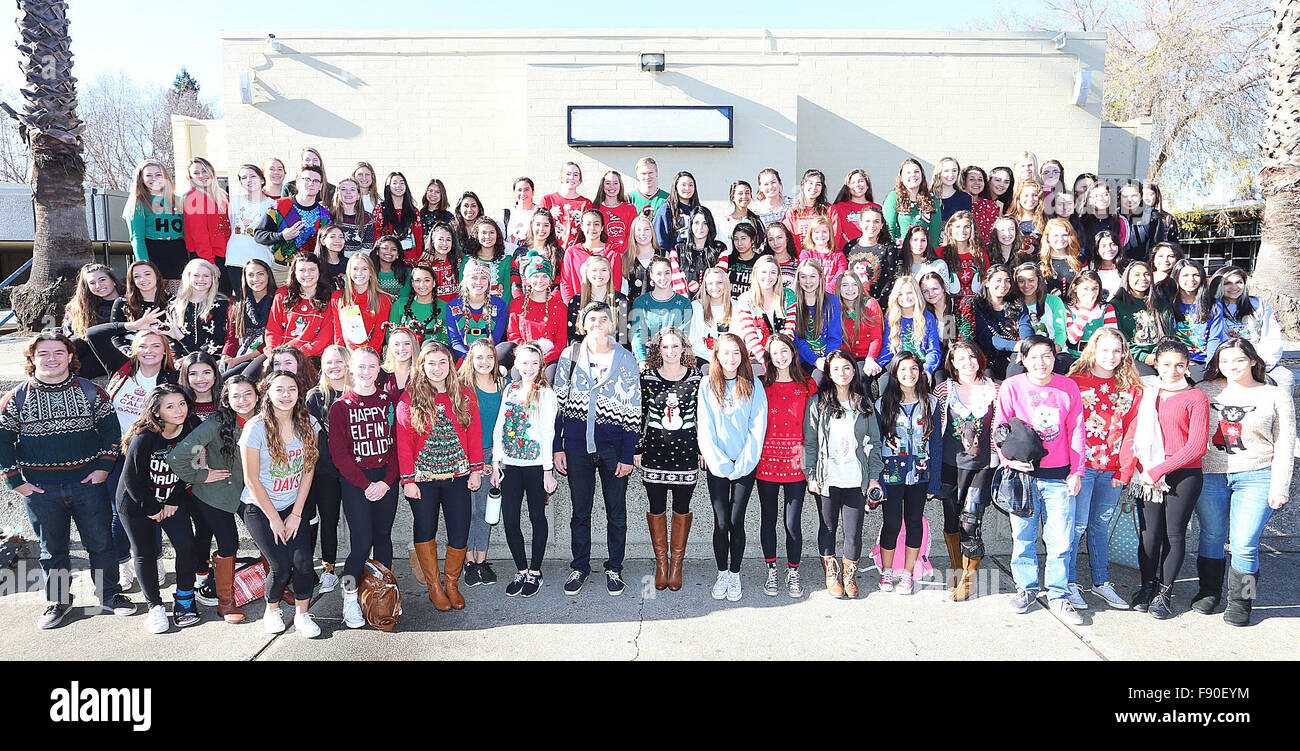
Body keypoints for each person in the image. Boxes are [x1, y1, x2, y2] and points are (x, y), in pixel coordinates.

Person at [0, 332, 130, 629]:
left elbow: (112, 434)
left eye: (59, 352)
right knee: (52, 548)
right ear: (32, 359)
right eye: (44, 353)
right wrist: (14, 481)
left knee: (100, 543)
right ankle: (58, 600)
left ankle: (110, 594)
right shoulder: (15, 397)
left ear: (71, 356)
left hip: (87, 484)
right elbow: (3, 442)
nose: (52, 359)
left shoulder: (93, 392)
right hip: (40, 489)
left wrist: (102, 469)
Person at [1194, 338, 1295, 626]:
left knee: (1245, 543)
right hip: (1211, 474)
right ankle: (1208, 590)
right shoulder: (1204, 390)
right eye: (1224, 361)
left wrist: (1280, 485)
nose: (1231, 366)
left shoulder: (1274, 396)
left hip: (1257, 475)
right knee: (1211, 536)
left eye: (1238, 359)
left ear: (1252, 360)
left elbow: (1285, 443)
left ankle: (1243, 600)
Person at [995, 335, 1086, 625]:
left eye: (1046, 355)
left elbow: (1076, 429)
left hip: (1059, 476)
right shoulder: (1012, 386)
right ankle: (1027, 588)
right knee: (1022, 538)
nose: (1041, 362)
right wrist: (1007, 459)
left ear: (1054, 357)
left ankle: (1059, 594)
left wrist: (1077, 471)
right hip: (1023, 477)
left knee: (1060, 540)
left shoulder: (1068, 386)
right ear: (1022, 359)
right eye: (1033, 356)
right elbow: (1000, 427)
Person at [552, 301, 642, 597]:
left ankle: (614, 567)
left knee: (616, 512)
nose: (598, 323)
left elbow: (633, 407)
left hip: (613, 449)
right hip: (577, 446)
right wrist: (557, 446)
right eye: (592, 319)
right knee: (580, 511)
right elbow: (559, 404)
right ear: (583, 322)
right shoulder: (570, 354)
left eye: (604, 318)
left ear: (612, 323)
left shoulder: (626, 358)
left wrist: (629, 454)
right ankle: (580, 565)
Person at [1118, 338, 1210, 619]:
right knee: (1149, 534)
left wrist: (1158, 471)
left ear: (1187, 366)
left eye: (1180, 365)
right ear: (1155, 363)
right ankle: (1147, 586)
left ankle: (1164, 591)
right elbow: (1129, 430)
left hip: (1182, 474)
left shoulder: (1196, 397)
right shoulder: (1145, 392)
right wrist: (1137, 469)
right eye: (1167, 364)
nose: (1173, 370)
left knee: (1173, 534)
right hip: (1145, 472)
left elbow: (1196, 447)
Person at [1060, 329, 1142, 611]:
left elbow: (1133, 429)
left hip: (1112, 468)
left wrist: (1126, 468)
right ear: (1093, 350)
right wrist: (1072, 468)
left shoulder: (1131, 386)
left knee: (1100, 525)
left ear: (1124, 353)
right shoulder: (1076, 381)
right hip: (1082, 467)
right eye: (1105, 350)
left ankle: (1101, 581)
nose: (1111, 356)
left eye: (1117, 350)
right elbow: (1066, 427)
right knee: (1077, 525)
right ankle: (1068, 583)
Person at [168, 374, 259, 624]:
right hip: (215, 493)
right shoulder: (219, 421)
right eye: (235, 396)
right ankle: (225, 602)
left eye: (248, 394)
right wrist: (200, 476)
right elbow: (178, 456)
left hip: (252, 491)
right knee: (229, 544)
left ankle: (276, 585)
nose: (242, 400)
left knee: (268, 536)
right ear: (226, 399)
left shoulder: (264, 418)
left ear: (258, 395)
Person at [239, 370, 321, 637]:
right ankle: (272, 609)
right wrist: (275, 518)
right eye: (280, 390)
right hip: (260, 506)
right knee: (280, 565)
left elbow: (308, 470)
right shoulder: (255, 427)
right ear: (268, 393)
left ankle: (302, 614)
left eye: (292, 389)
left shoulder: (308, 422)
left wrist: (296, 514)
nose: (286, 395)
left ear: (299, 393)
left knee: (304, 563)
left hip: (293, 505)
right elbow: (251, 479)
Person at [117, 383, 202, 632]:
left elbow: (193, 465)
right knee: (144, 551)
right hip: (136, 502)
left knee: (187, 546)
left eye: (182, 404)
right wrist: (152, 507)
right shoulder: (144, 436)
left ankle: (185, 599)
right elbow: (131, 478)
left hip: (172, 498)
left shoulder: (192, 428)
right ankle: (155, 606)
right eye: (170, 406)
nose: (179, 410)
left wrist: (173, 500)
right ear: (156, 411)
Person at [804, 349, 884, 599]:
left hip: (855, 479)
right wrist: (811, 474)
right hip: (827, 478)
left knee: (853, 531)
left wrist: (873, 476)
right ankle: (831, 575)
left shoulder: (864, 403)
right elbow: (810, 443)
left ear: (854, 370)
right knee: (827, 527)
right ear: (828, 372)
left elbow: (875, 443)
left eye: (847, 367)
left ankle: (849, 576)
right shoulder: (817, 403)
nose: (842, 373)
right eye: (836, 368)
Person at [329, 347, 400, 627]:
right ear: (351, 369)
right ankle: (349, 598)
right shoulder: (341, 407)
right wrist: (365, 484)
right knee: (360, 542)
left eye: (372, 367)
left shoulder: (389, 401)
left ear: (379, 369)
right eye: (361, 367)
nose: (367, 372)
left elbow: (398, 446)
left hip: (385, 480)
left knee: (383, 537)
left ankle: (383, 596)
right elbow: (339, 454)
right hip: (356, 481)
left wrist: (385, 482)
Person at [696, 332, 768, 601]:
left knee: (737, 522)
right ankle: (722, 572)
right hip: (717, 465)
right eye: (725, 353)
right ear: (716, 356)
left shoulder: (752, 385)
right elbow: (705, 427)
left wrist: (743, 463)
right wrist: (720, 463)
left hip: (744, 465)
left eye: (736, 353)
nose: (731, 358)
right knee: (721, 521)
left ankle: (735, 573)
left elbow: (756, 427)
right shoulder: (707, 385)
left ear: (743, 356)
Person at [634, 327, 702, 592]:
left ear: (684, 348)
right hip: (653, 452)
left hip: (686, 453)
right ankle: (661, 564)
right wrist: (636, 449)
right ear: (657, 350)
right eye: (665, 347)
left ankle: (677, 565)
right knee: (656, 507)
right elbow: (640, 414)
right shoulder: (647, 378)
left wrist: (703, 448)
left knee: (682, 508)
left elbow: (703, 417)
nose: (671, 352)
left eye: (676, 347)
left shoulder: (697, 378)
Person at [933, 341, 1000, 600]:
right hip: (950, 465)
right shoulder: (943, 390)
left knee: (970, 522)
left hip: (982, 465)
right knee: (951, 521)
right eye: (960, 358)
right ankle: (956, 570)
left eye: (972, 356)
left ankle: (969, 581)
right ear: (952, 362)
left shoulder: (996, 389)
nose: (967, 362)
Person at [492, 342, 559, 598]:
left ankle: (535, 571)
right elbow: (500, 426)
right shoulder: (509, 389)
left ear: (541, 364)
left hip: (534, 466)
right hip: (510, 465)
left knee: (536, 518)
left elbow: (547, 433)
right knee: (510, 519)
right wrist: (497, 462)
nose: (529, 368)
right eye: (524, 362)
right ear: (516, 364)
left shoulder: (546, 393)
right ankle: (520, 569)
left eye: (534, 362)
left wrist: (547, 470)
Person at [874, 352, 942, 596]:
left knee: (914, 522)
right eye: (903, 369)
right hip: (891, 472)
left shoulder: (931, 402)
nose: (909, 374)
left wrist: (935, 481)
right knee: (891, 522)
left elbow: (936, 444)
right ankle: (887, 570)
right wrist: (877, 479)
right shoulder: (882, 403)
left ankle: (908, 573)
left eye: (914, 369)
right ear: (894, 373)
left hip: (920, 473)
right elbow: (877, 441)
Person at [755, 334, 815, 597]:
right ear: (768, 356)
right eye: (775, 352)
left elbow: (815, 426)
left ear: (792, 352)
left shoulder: (808, 385)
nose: (780, 357)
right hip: (766, 460)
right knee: (768, 519)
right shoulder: (760, 385)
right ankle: (771, 570)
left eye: (784, 351)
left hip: (796, 462)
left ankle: (793, 571)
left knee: (792, 522)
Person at [458, 339, 504, 587]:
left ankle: (481, 561)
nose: (484, 362)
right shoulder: (461, 386)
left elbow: (506, 425)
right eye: (479, 357)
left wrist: (495, 460)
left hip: (492, 454)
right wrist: (472, 463)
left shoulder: (502, 384)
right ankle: (467, 561)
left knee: (487, 511)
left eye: (489, 357)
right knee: (469, 511)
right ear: (471, 360)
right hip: (466, 455)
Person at [304, 345, 349, 596]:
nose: (334, 367)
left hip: (354, 470)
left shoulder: (358, 391)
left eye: (339, 361)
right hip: (325, 470)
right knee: (328, 521)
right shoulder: (315, 396)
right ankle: (329, 570)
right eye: (329, 362)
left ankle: (360, 566)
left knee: (357, 522)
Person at [1204, 266, 1291, 394]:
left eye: (1239, 282)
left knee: (1285, 377)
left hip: (1261, 361)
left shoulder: (1258, 303)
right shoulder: (1213, 308)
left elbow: (1272, 335)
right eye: (1227, 283)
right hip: (1230, 362)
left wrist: (1263, 363)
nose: (1234, 287)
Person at [254, 165, 333, 277]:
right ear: (297, 182)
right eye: (306, 179)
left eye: (315, 181)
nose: (311, 183)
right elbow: (259, 235)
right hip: (282, 270)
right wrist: (282, 236)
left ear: (320, 186)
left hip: (310, 272)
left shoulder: (325, 216)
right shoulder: (279, 206)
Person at [261, 252, 335, 370]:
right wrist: (273, 352)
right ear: (294, 272)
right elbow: (272, 329)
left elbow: (324, 337)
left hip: (310, 356)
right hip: (278, 353)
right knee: (247, 377)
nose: (307, 274)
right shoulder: (282, 294)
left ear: (319, 272)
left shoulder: (329, 299)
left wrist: (295, 354)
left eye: (312, 269)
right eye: (301, 270)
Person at [124, 158, 187, 289]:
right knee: (159, 299)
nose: (154, 178)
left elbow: (187, 233)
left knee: (180, 299)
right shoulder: (138, 203)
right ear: (141, 179)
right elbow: (136, 238)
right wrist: (145, 265)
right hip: (154, 253)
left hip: (179, 254)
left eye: (158, 174)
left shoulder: (179, 201)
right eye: (148, 175)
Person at [1152, 258, 1211, 381]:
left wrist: (1211, 362)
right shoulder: (1166, 302)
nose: (1191, 279)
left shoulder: (1213, 305)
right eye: (1185, 275)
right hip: (1174, 358)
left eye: (1196, 275)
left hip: (1202, 360)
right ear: (1176, 278)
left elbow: (1215, 337)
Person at [63, 263, 123, 379]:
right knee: (74, 342)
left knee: (81, 369)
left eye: (102, 279)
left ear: (113, 280)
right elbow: (67, 327)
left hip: (115, 350)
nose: (98, 285)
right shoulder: (83, 305)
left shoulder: (128, 300)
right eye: (92, 283)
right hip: (87, 348)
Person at [737, 255, 797, 373]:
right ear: (756, 274)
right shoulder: (745, 299)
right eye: (763, 272)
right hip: (756, 358)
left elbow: (790, 330)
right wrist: (767, 363)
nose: (768, 277)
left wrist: (781, 358)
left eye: (773, 272)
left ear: (778, 275)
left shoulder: (788, 296)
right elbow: (750, 336)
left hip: (784, 357)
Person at [220, 259, 277, 378]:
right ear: (244, 278)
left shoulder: (278, 300)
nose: (256, 279)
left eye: (260, 274)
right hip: (240, 352)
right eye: (250, 275)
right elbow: (232, 338)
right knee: (214, 373)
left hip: (265, 353)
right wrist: (226, 357)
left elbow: (274, 337)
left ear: (268, 275)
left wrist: (238, 360)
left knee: (233, 378)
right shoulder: (237, 303)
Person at [629, 256, 692, 363]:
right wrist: (642, 360)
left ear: (672, 274)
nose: (663, 277)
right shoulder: (641, 302)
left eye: (667, 272)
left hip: (675, 358)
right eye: (658, 274)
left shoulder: (684, 303)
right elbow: (638, 334)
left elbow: (683, 335)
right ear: (651, 276)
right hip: (648, 358)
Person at [877, 275, 942, 377]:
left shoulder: (927, 317)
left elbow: (933, 349)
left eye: (910, 293)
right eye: (900, 294)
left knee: (931, 378)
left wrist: (928, 368)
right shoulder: (891, 316)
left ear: (916, 294)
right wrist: (879, 365)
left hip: (921, 361)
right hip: (899, 361)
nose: (905, 298)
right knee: (885, 381)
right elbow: (887, 347)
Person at [1011, 263, 1070, 374]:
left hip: (1055, 351)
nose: (1026, 285)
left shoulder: (1053, 301)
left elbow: (1060, 331)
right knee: (1014, 371)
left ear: (1038, 280)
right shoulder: (1014, 305)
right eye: (1021, 281)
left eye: (1031, 280)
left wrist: (1053, 350)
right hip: (1026, 352)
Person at [226, 164, 277, 293]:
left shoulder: (272, 204)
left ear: (262, 180)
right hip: (236, 259)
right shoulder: (234, 201)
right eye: (244, 177)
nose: (248, 180)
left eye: (253, 176)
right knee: (240, 300)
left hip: (261, 258)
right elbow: (232, 225)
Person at [446, 258, 508, 361]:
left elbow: (495, 339)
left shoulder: (500, 305)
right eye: (474, 278)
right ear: (466, 280)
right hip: (463, 357)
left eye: (483, 278)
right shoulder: (453, 306)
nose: (478, 282)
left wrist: (482, 358)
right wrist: (470, 358)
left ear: (488, 281)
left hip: (489, 356)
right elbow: (455, 342)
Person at [164, 258, 228, 358]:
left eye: (206, 276)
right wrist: (176, 359)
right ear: (188, 277)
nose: (201, 279)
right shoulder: (175, 303)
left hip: (210, 361)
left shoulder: (221, 305)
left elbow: (217, 343)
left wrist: (189, 356)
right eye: (196, 275)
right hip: (179, 362)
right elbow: (170, 337)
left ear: (213, 278)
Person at [182, 157, 231, 281]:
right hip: (208, 258)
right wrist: (209, 262)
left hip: (226, 256)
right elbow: (199, 234)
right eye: (196, 173)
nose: (201, 175)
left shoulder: (222, 196)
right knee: (217, 299)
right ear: (191, 178)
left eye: (204, 171)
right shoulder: (194, 198)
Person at [331, 253, 392, 353]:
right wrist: (342, 356)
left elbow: (378, 335)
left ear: (371, 272)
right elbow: (338, 332)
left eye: (364, 269)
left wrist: (364, 356)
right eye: (355, 269)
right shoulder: (338, 297)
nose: (359, 273)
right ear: (349, 272)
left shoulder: (384, 299)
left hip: (370, 355)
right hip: (346, 356)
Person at [566, 252, 629, 347]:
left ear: (610, 273)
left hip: (615, 356)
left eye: (603, 270)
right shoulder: (576, 301)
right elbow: (574, 339)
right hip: (585, 356)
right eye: (594, 270)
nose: (599, 274)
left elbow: (624, 340)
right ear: (587, 274)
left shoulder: (621, 301)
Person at [560, 209, 622, 305]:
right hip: (578, 308)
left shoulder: (613, 253)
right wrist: (572, 305)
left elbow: (616, 284)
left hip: (605, 309)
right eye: (588, 224)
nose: (592, 228)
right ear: (582, 227)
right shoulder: (572, 252)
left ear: (602, 228)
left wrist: (606, 308)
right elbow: (565, 283)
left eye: (596, 224)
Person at [1110, 261, 1163, 375]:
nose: (1142, 278)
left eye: (1146, 274)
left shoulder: (1161, 303)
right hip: (1131, 357)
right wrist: (1144, 357)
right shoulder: (1116, 305)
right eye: (1137, 275)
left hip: (1161, 357)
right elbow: (1119, 338)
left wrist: (1157, 355)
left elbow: (1167, 333)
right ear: (1127, 278)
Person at [836, 270, 884, 392]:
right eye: (845, 285)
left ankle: (868, 408)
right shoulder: (835, 308)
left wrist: (870, 358)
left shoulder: (870, 304)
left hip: (865, 356)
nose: (850, 289)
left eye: (854, 285)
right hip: (845, 356)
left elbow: (876, 337)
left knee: (861, 376)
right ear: (839, 288)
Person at [973, 265, 1022, 380]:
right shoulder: (976, 306)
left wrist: (1025, 347)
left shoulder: (1017, 304)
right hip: (987, 356)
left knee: (1020, 363)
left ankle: (1012, 393)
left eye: (1007, 281)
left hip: (1013, 354)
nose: (1003, 285)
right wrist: (1014, 345)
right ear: (987, 283)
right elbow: (986, 338)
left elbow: (1025, 327)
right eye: (998, 280)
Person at [842, 205, 899, 302]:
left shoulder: (888, 247)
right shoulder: (850, 247)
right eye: (867, 221)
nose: (872, 225)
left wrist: (879, 305)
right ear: (860, 223)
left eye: (876, 221)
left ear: (881, 225)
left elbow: (890, 280)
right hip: (852, 304)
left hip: (878, 305)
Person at [882, 159, 942, 247]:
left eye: (916, 172)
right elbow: (888, 229)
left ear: (922, 175)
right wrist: (891, 255)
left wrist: (931, 257)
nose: (913, 175)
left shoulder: (932, 199)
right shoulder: (893, 197)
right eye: (908, 172)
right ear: (901, 178)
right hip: (899, 255)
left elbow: (935, 233)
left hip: (924, 254)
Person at [782, 168, 840, 254]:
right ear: (803, 185)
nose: (814, 187)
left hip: (825, 259)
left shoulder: (829, 210)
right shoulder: (793, 211)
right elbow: (789, 238)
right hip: (801, 260)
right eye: (810, 183)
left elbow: (835, 235)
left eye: (818, 184)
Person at [669, 208, 726, 297]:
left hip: (711, 304)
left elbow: (719, 281)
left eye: (705, 223)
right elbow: (677, 283)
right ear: (691, 225)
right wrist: (687, 306)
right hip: (684, 305)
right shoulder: (677, 250)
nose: (700, 227)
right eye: (696, 223)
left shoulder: (720, 249)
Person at [370, 172, 424, 264]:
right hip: (388, 261)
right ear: (388, 187)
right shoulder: (380, 210)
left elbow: (418, 238)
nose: (398, 186)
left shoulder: (414, 211)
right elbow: (376, 237)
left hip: (411, 261)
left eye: (402, 183)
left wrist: (418, 262)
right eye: (394, 183)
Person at [390, 264, 449, 347]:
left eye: (427, 280)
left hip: (432, 356)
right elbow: (391, 335)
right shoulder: (399, 305)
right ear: (412, 283)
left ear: (434, 283)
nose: (422, 285)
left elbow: (446, 339)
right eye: (417, 280)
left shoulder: (445, 307)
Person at [688, 267, 735, 369]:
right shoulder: (696, 306)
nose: (715, 287)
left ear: (726, 284)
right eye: (710, 283)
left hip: (731, 360)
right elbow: (694, 341)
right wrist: (713, 359)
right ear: (705, 286)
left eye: (719, 282)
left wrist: (726, 358)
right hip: (703, 359)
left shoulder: (736, 305)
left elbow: (739, 337)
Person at [461, 217, 514, 308]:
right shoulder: (468, 260)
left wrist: (500, 313)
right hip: (474, 312)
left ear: (497, 235)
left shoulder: (506, 260)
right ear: (477, 235)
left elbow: (507, 293)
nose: (488, 236)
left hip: (499, 312)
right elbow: (463, 290)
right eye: (484, 233)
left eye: (491, 233)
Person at [653, 170, 712, 250]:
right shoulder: (666, 209)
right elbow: (660, 240)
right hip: (674, 258)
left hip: (696, 257)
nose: (687, 188)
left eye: (690, 185)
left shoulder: (698, 210)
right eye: (683, 185)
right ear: (676, 187)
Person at [1064, 271, 1118, 358]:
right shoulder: (1067, 308)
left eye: (1095, 289)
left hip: (1100, 357)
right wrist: (1085, 309)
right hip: (1074, 357)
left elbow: (1112, 336)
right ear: (1075, 288)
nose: (1090, 293)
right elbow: (1072, 339)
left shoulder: (1106, 308)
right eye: (1085, 288)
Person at [540, 161, 594, 249]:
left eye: (576, 175)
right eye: (568, 174)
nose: (572, 177)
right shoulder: (548, 200)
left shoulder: (586, 203)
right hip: (551, 252)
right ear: (561, 177)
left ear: (580, 180)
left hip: (576, 254)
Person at [939, 210, 987, 300]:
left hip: (975, 306)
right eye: (957, 227)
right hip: (949, 307)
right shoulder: (939, 253)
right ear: (950, 228)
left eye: (967, 227)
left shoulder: (980, 254)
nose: (962, 231)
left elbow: (985, 281)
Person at [593, 169, 638, 259]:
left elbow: (632, 233)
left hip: (625, 257)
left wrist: (622, 253)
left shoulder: (630, 208)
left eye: (615, 183)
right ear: (603, 185)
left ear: (620, 185)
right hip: (602, 257)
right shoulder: (595, 209)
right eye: (608, 183)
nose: (612, 187)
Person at [831, 168, 880, 247]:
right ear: (847, 187)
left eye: (861, 181)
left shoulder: (876, 208)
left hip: (870, 253)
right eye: (852, 182)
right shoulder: (838, 208)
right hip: (845, 252)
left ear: (867, 185)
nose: (857, 185)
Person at [797, 215, 847, 292]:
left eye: (824, 232)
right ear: (811, 234)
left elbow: (840, 274)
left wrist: (827, 290)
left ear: (830, 233)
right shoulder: (806, 254)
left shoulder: (839, 255)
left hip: (832, 296)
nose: (820, 235)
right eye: (816, 232)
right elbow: (805, 274)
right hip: (812, 294)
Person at [715, 222, 762, 300]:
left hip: (751, 308)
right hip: (730, 307)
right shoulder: (728, 260)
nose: (739, 243)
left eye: (743, 238)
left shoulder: (760, 261)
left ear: (753, 239)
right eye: (736, 239)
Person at [1038, 217, 1085, 297]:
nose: (1060, 239)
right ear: (1047, 237)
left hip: (1074, 307)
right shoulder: (1039, 261)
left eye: (1064, 235)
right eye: (1055, 235)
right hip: (1048, 307)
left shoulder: (1080, 259)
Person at [717, 180, 766, 253]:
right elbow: (724, 248)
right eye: (740, 193)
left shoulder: (758, 220)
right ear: (733, 197)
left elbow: (761, 246)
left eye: (747, 193)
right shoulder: (724, 222)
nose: (744, 196)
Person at [332, 177, 375, 258]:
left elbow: (367, 249)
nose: (348, 192)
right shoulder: (330, 216)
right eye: (343, 189)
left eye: (352, 189)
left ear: (358, 195)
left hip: (356, 263)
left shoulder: (367, 218)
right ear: (338, 194)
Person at [621, 213, 658, 304]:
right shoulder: (626, 258)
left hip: (661, 310)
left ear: (652, 232)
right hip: (635, 311)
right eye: (638, 230)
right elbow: (623, 291)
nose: (642, 233)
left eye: (646, 229)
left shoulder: (664, 255)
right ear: (633, 233)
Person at [425, 221, 463, 306]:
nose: (445, 243)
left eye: (448, 240)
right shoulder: (425, 264)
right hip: (434, 310)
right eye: (440, 239)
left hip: (456, 309)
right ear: (433, 241)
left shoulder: (459, 262)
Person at [1010, 180, 1047, 256]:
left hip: (1038, 264)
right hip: (1015, 264)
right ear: (1019, 197)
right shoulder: (1010, 220)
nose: (1030, 199)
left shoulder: (1045, 220)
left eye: (1035, 195)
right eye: (1026, 195)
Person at [1088, 230, 1126, 300]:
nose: (1109, 249)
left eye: (1113, 244)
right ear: (1097, 249)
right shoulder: (1089, 269)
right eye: (1103, 246)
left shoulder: (1127, 267)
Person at [932, 156, 970, 224]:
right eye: (946, 171)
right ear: (939, 173)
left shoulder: (965, 198)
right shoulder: (929, 197)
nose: (951, 174)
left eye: (954, 170)